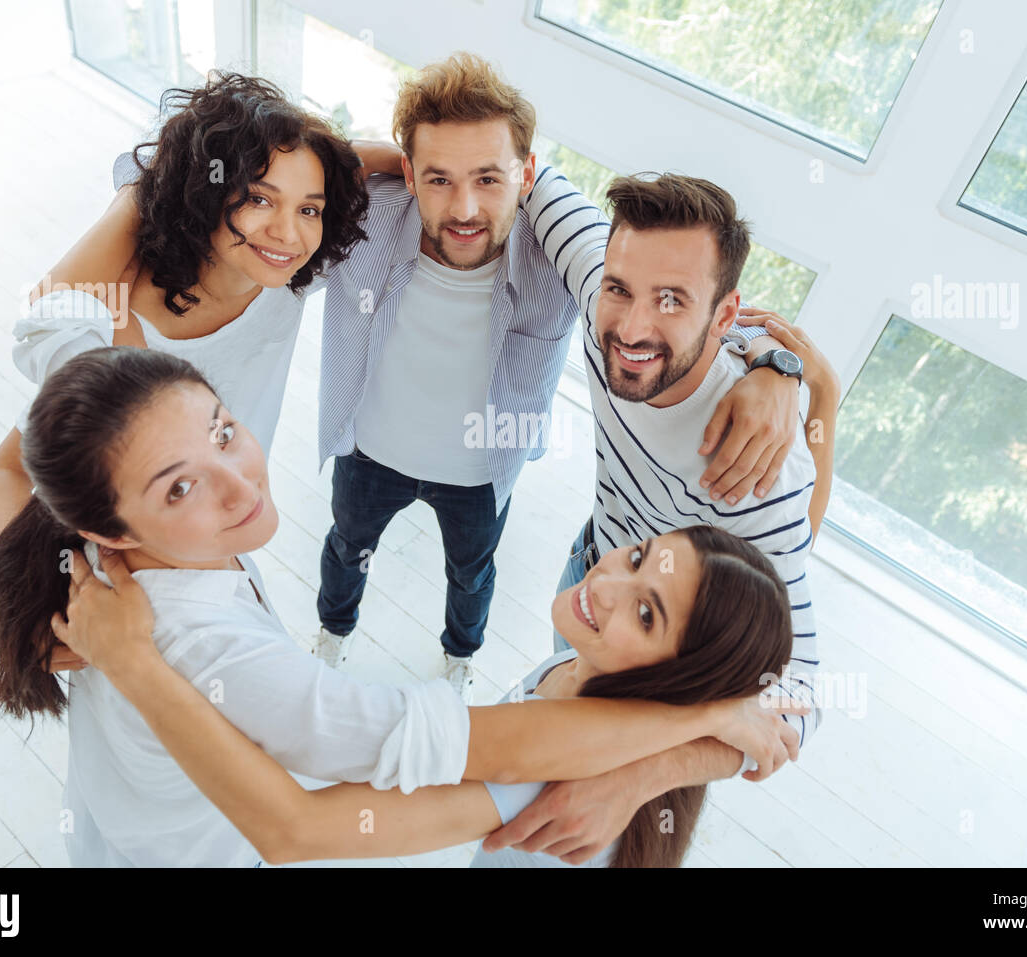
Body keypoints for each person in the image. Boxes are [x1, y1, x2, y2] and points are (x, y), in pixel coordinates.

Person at [90, 54, 802, 702]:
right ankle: (331, 637)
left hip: (481, 475)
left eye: (489, 179)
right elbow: (197, 175)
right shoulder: (363, 217)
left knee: (472, 578)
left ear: (527, 176)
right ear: (408, 171)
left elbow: (646, 297)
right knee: (345, 551)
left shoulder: (557, 250)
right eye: (439, 178)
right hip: (368, 452)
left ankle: (460, 655)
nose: (463, 209)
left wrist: (775, 363)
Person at [0, 346, 806, 867]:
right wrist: (708, 719)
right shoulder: (195, 640)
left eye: (225, 431)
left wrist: (693, 738)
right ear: (99, 522)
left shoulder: (107, 557)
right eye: (182, 484)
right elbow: (307, 823)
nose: (242, 482)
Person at [52, 509, 801, 866]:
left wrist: (136, 663)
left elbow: (295, 832)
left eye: (645, 611)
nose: (604, 581)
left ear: (679, 677)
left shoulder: (556, 782)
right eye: (638, 555)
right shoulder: (574, 674)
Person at [478, 170, 843, 863]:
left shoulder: (760, 461)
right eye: (622, 289)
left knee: (569, 833)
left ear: (725, 313)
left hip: (666, 659)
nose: (633, 327)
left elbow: (800, 698)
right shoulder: (598, 293)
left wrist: (639, 774)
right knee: (530, 742)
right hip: (595, 567)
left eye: (672, 300)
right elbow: (523, 166)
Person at [0, 71, 369, 570]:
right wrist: (73, 591)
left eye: (309, 208)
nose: (288, 232)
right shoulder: (118, 321)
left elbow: (379, 168)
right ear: (204, 193)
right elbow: (1, 475)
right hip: (147, 558)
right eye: (259, 199)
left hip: (226, 524)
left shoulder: (289, 273)